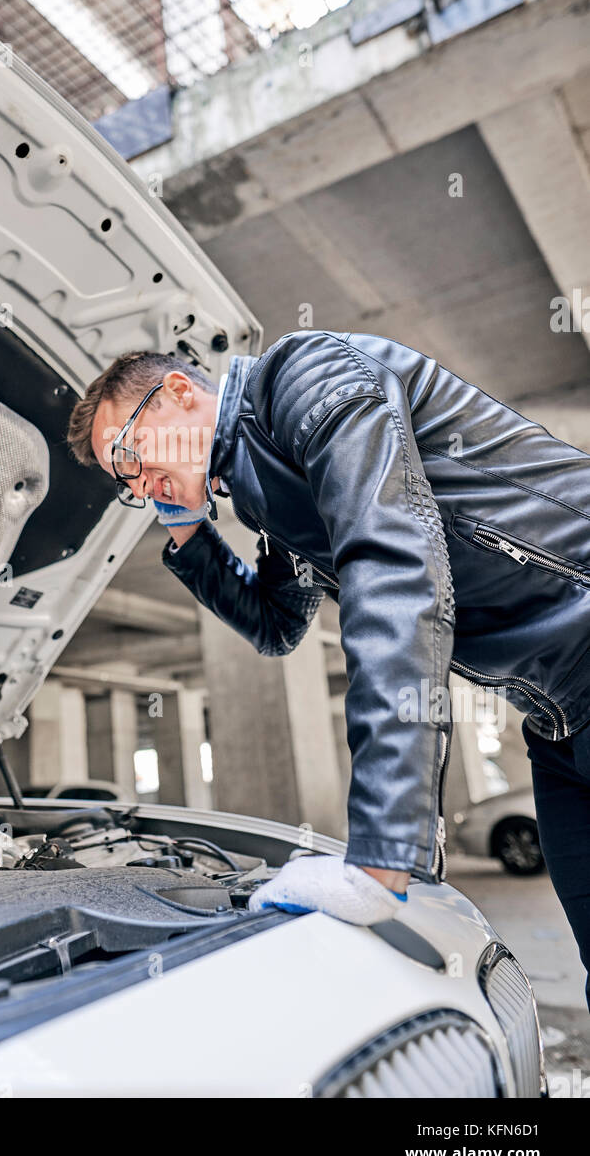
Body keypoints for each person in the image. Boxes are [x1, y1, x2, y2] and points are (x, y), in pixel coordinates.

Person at [66, 331, 590, 997]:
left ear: (175, 391)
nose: (139, 483)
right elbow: (277, 625)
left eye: (130, 455)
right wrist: (187, 532)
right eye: (126, 484)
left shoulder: (307, 377)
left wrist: (381, 855)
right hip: (556, 718)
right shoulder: (262, 494)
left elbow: (393, 563)